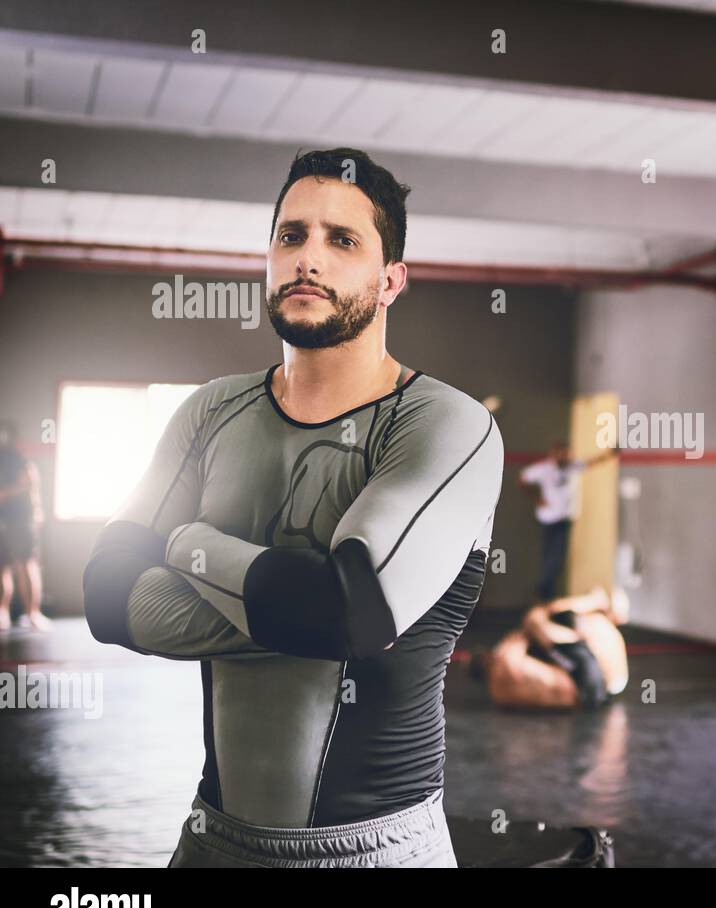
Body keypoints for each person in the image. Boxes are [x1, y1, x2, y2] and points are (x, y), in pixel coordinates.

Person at [81, 147, 504, 868]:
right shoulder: (211, 409)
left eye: (342, 240)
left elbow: (348, 610)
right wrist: (306, 602)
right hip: (212, 838)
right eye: (291, 235)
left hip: (377, 849)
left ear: (391, 280)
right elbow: (107, 596)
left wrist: (186, 545)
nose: (309, 257)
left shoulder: (446, 424)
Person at [473, 585, 629, 712]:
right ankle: (597, 602)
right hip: (601, 683)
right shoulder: (505, 660)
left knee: (537, 618)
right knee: (534, 618)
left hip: (597, 685)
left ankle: (598, 603)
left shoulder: (501, 689)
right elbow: (534, 622)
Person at [518, 440, 617, 600]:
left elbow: (596, 460)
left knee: (557, 559)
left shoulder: (573, 466)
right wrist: (537, 499)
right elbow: (522, 480)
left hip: (565, 520)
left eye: (566, 453)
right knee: (551, 558)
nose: (563, 457)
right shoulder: (543, 469)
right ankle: (544, 592)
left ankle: (546, 593)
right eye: (560, 453)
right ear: (553, 454)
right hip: (549, 519)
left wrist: (613, 451)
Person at [0, 418, 51, 633]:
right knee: (2, 567)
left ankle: (33, 613)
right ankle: (2, 613)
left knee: (26, 564)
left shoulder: (19, 459)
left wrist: (37, 511)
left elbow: (29, 484)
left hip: (21, 520)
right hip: (3, 520)